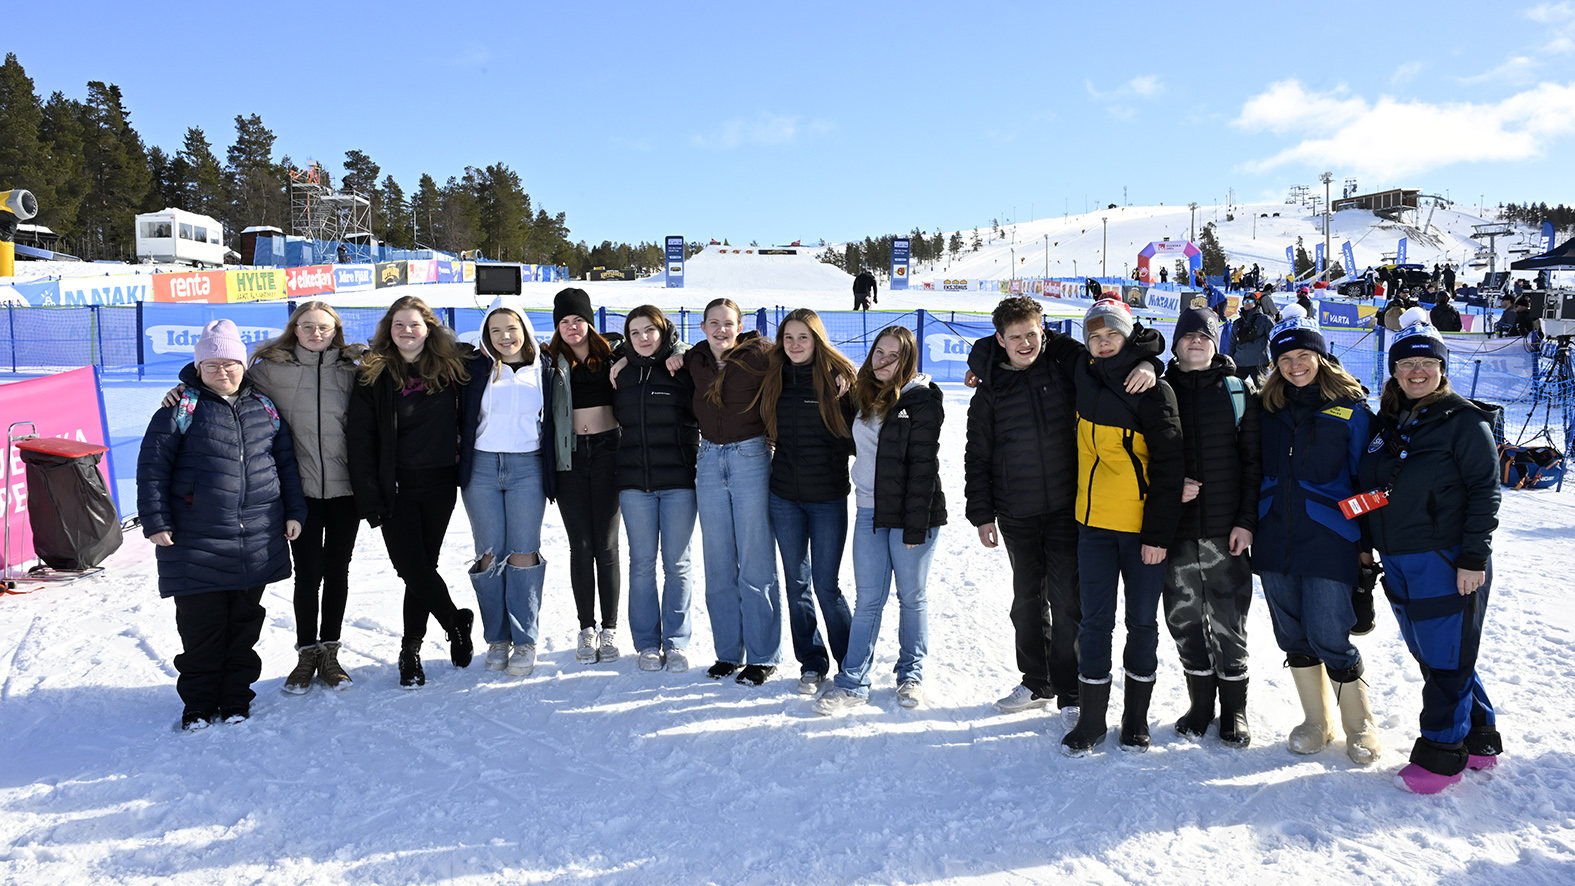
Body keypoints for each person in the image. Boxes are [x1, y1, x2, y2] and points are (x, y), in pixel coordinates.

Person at [138, 319, 306, 729]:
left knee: (244, 625)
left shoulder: (263, 407)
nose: (222, 371)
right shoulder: (180, 409)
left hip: (257, 536)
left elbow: (285, 463)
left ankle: (235, 698)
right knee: (202, 628)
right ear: (198, 367)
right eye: (212, 364)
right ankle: (197, 703)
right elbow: (152, 469)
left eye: (230, 363)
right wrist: (156, 520)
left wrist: (293, 511)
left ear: (242, 365)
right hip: (197, 539)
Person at [1360, 310, 1502, 793]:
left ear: (1442, 368)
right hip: (1398, 558)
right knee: (1439, 654)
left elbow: (1486, 491)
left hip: (1445, 559)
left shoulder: (1464, 421)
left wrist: (1473, 559)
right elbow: (1376, 486)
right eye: (1405, 364)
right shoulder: (1389, 423)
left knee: (1446, 658)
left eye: (1426, 362)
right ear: (1394, 371)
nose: (1415, 371)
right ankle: (1480, 734)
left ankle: (1442, 756)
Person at [1254, 304, 1383, 765]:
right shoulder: (1266, 409)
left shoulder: (1352, 412)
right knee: (1292, 633)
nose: (1294, 365)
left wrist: (1361, 538)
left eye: (1303, 356)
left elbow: (1373, 487)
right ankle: (1317, 721)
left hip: (1330, 540)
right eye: (1285, 359)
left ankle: (1359, 725)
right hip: (1273, 539)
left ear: (1320, 357)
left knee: (1331, 633)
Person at [1059, 299, 1184, 756]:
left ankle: (1135, 719)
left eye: (1112, 334)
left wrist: (1157, 536)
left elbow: (1171, 466)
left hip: (1139, 531)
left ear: (1127, 335)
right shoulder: (1083, 371)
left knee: (1141, 623)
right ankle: (1092, 720)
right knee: (1093, 622)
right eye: (1095, 336)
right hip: (1092, 526)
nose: (1103, 342)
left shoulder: (1153, 390)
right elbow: (1022, 337)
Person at [814, 327, 945, 714]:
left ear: (907, 361)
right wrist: (840, 380)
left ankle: (911, 675)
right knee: (869, 598)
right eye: (879, 353)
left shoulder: (922, 400)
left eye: (894, 356)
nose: (883, 362)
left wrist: (915, 524)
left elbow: (924, 467)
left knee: (911, 596)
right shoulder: (862, 395)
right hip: (870, 510)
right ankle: (853, 681)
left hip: (910, 513)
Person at [964, 297, 1084, 717]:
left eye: (1031, 334)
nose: (1025, 343)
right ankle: (1037, 682)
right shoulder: (991, 388)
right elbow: (977, 455)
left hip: (1067, 508)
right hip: (1016, 511)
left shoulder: (1063, 370)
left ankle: (1071, 691)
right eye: (1014, 337)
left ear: (1043, 330)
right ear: (1000, 340)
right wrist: (981, 514)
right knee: (1026, 602)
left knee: (1069, 600)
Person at [347, 295, 475, 689]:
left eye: (415, 324)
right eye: (398, 324)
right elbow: (360, 437)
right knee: (412, 568)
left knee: (423, 569)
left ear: (430, 328)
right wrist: (369, 494)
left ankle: (410, 652)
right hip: (396, 484)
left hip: (439, 482)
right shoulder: (373, 372)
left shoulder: (453, 365)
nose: (407, 331)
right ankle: (455, 621)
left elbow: (502, 347)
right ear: (388, 329)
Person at [248, 302, 364, 694]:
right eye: (308, 326)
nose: (317, 334)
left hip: (347, 490)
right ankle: (306, 652)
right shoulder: (269, 371)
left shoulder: (353, 371)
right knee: (308, 573)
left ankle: (329, 652)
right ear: (294, 329)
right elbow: (224, 384)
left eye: (325, 328)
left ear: (337, 331)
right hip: (300, 493)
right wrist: (185, 385)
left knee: (338, 571)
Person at [1161, 309, 1261, 748]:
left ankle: (1233, 711)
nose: (1196, 342)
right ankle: (1200, 705)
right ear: (1176, 344)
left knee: (1229, 621)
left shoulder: (1239, 391)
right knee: (1183, 618)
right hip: (1175, 532)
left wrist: (1245, 522)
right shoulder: (1159, 391)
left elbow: (1254, 464)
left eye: (1205, 335)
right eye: (1188, 336)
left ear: (1217, 343)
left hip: (1226, 533)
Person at [753, 308, 857, 694]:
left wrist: (848, 386)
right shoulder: (773, 377)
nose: (795, 344)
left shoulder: (839, 381)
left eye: (803, 337)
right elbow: (730, 347)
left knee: (826, 585)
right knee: (796, 585)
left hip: (827, 498)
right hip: (784, 497)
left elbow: (859, 434)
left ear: (817, 339)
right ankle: (811, 662)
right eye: (789, 337)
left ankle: (851, 662)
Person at [681, 298, 783, 685]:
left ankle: (762, 655)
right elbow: (646, 349)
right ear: (703, 327)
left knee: (755, 560)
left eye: (728, 323)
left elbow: (806, 359)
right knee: (719, 562)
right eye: (713, 323)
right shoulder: (696, 360)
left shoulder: (760, 355)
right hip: (707, 460)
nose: (721, 330)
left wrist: (841, 375)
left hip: (750, 456)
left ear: (739, 326)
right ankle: (728, 653)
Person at [458, 296, 548, 678]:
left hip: (527, 466)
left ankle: (525, 640)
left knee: (524, 552)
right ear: (485, 335)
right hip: (481, 467)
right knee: (490, 554)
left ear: (524, 330)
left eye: (511, 329)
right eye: (495, 331)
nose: (504, 337)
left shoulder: (544, 369)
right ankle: (498, 638)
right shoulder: (474, 368)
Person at [614, 305, 699, 673]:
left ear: (664, 332)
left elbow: (708, 356)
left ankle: (676, 642)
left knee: (677, 565)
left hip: (679, 482)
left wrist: (680, 354)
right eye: (635, 332)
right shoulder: (621, 374)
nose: (643, 338)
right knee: (642, 564)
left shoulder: (683, 369)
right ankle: (647, 643)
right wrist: (619, 357)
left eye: (650, 330)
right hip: (634, 484)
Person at [543, 288, 623, 664]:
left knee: (606, 545)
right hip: (571, 457)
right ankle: (585, 628)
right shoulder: (549, 361)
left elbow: (669, 343)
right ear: (557, 326)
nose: (573, 327)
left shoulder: (614, 355)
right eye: (565, 321)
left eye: (579, 320)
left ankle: (610, 630)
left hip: (609, 453)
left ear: (590, 322)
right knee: (582, 546)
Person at [1225, 292, 1274, 380]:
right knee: (1235, 391)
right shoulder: (1237, 322)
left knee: (1263, 392)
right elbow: (1232, 343)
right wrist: (1229, 361)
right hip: (1239, 363)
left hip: (1259, 363)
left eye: (1250, 300)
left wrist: (1275, 357)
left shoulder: (1264, 320)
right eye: (1245, 301)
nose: (1247, 303)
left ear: (1255, 303)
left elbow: (1274, 339)